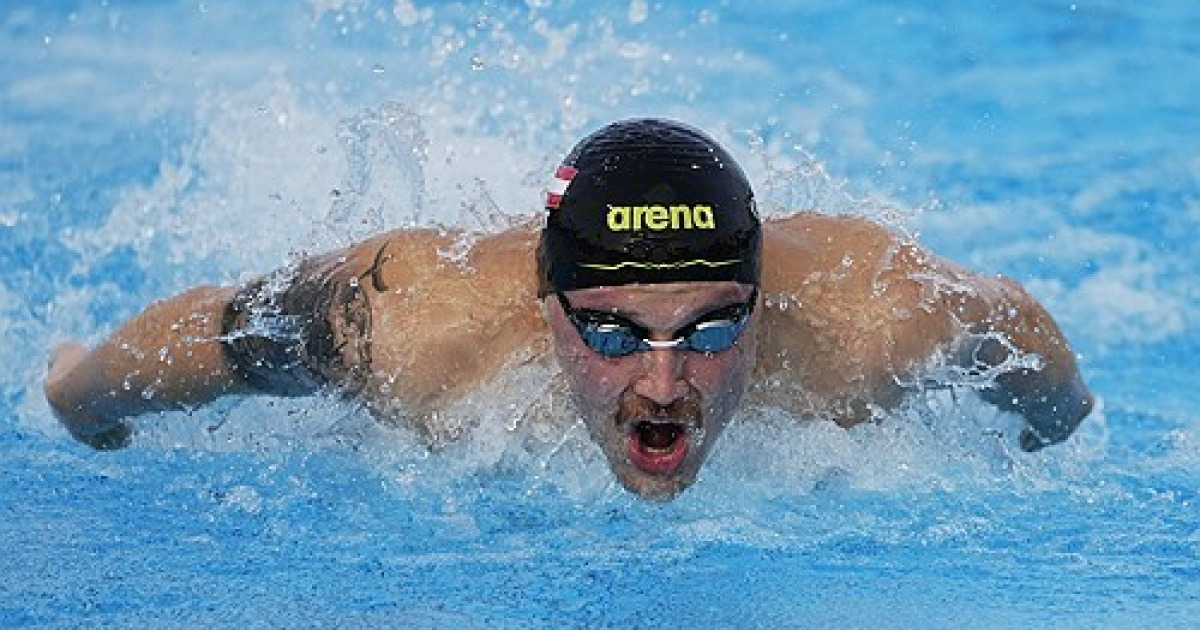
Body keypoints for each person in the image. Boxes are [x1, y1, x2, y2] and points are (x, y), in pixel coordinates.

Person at [44, 118, 1093, 500]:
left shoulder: (875, 320)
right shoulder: (413, 328)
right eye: (611, 332)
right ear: (544, 300)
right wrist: (82, 402)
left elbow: (1016, 328)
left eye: (715, 327)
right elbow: (221, 332)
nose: (665, 384)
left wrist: (1055, 428)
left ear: (765, 299)